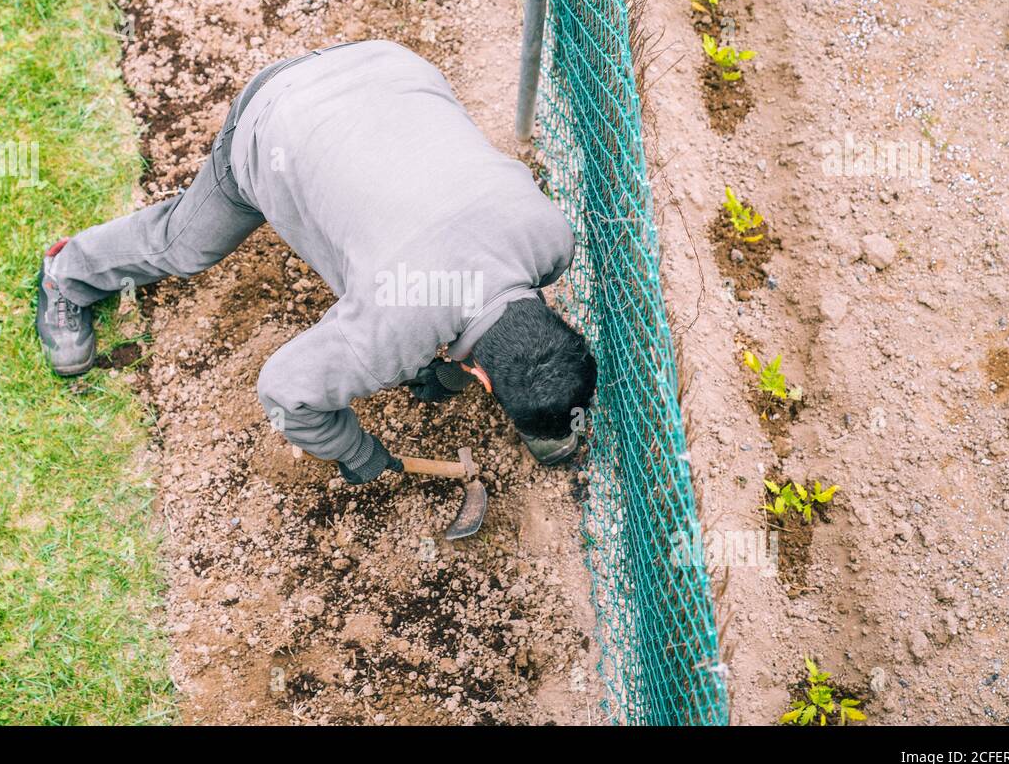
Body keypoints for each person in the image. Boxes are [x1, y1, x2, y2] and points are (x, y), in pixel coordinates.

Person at [36, 41, 596, 483]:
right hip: (278, 116)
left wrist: (449, 364)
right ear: (487, 383)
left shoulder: (553, 236)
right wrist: (357, 452)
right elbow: (284, 393)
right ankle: (70, 274)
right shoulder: (389, 327)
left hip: (390, 69)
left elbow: (495, 289)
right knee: (185, 246)